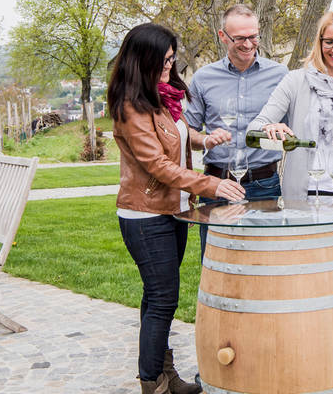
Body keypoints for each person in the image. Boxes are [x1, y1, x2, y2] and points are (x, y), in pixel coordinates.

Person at [108, 23, 245, 394]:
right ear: (144, 59)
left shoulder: (162, 96)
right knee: (163, 299)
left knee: (157, 297)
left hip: (173, 212)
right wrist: (213, 184)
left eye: (172, 58)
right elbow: (158, 166)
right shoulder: (129, 106)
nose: (170, 66)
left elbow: (177, 137)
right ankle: (152, 383)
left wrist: (204, 139)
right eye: (164, 60)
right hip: (145, 215)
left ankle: (164, 375)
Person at [248, 11, 333, 243]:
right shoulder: (295, 81)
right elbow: (255, 126)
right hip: (306, 197)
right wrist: (272, 128)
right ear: (319, 42)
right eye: (329, 42)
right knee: (307, 273)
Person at [184, 4, 288, 260]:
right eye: (240, 38)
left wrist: (282, 130)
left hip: (265, 185)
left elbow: (295, 129)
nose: (248, 44)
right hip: (218, 185)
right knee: (218, 265)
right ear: (223, 36)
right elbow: (187, 134)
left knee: (265, 266)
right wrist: (206, 140)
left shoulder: (280, 75)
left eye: (253, 37)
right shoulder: (203, 78)